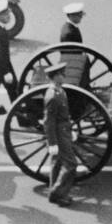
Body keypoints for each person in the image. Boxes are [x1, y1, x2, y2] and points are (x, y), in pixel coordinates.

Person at [42, 59, 78, 207]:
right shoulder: (53, 95)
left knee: (57, 163)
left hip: (62, 130)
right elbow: (48, 121)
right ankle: (56, 193)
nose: (64, 76)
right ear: (55, 76)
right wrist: (52, 143)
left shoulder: (59, 91)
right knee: (71, 164)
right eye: (61, 74)